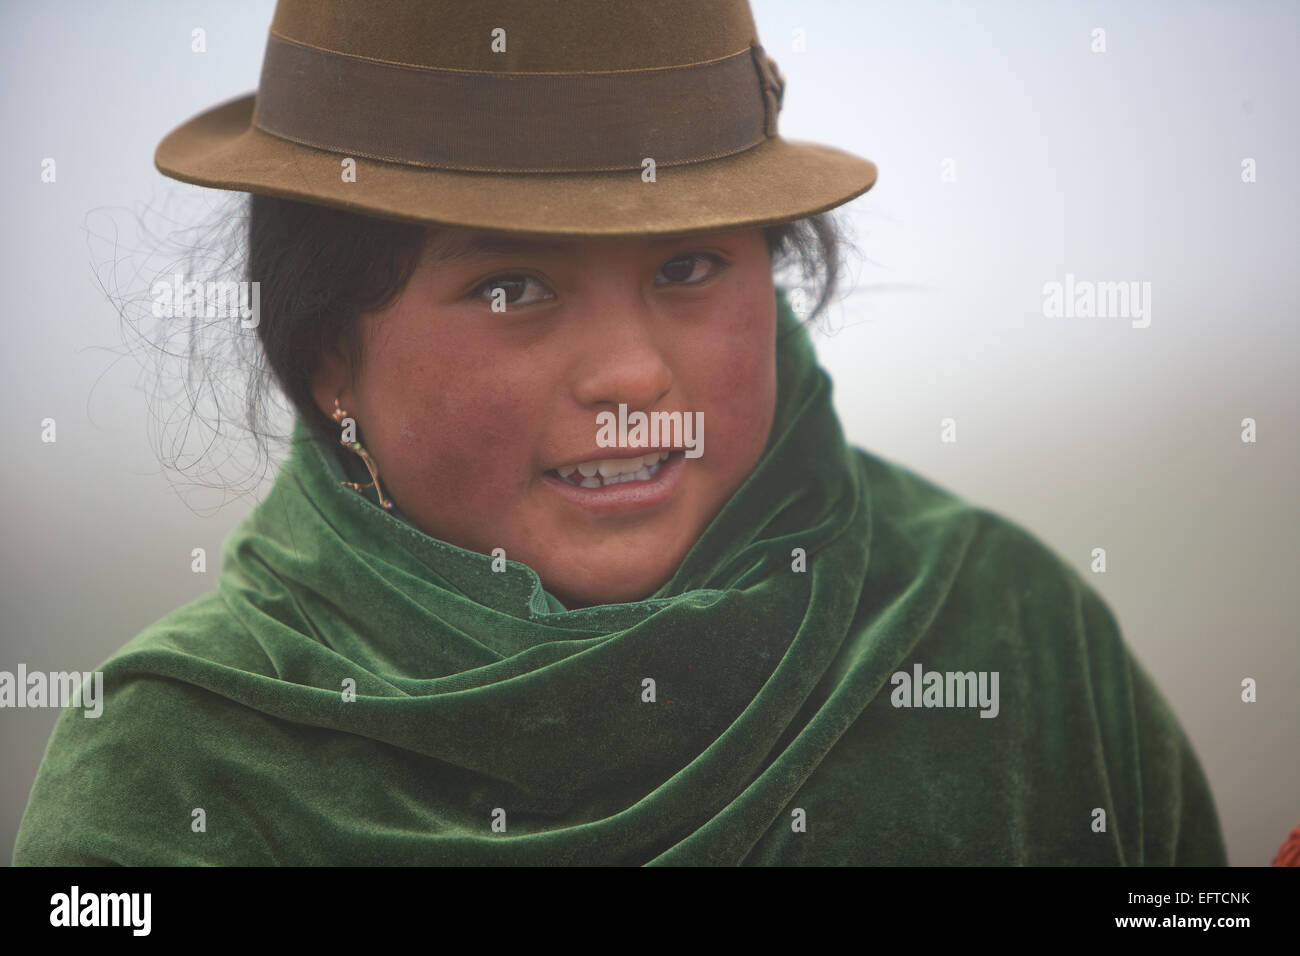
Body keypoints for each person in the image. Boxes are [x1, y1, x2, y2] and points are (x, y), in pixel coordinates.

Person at [14, 0, 1227, 866]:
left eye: (691, 265)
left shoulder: (1014, 639)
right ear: (330, 348)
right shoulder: (177, 773)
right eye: (512, 289)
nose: (634, 372)